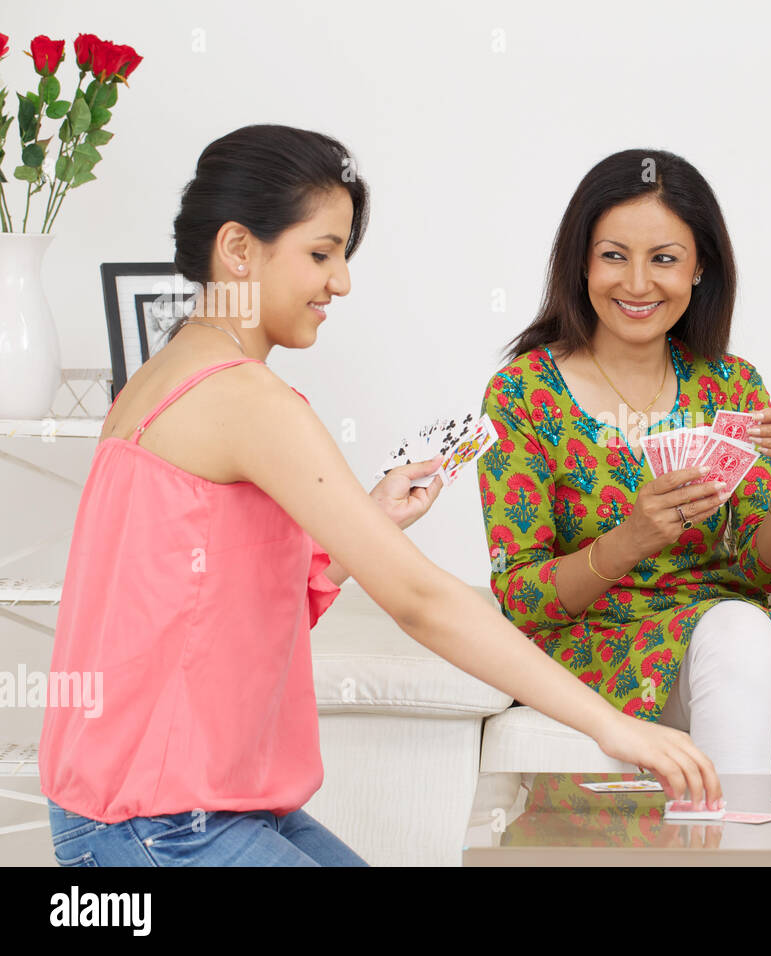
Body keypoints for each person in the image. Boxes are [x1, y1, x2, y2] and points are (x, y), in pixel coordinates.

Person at [40, 125, 721, 868]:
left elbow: (207, 609)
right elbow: (422, 601)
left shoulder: (160, 378)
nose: (341, 282)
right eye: (321, 253)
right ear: (239, 249)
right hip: (160, 824)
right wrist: (612, 726)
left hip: (164, 807)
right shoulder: (245, 399)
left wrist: (367, 519)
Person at [476, 148, 771, 775]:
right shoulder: (523, 393)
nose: (637, 283)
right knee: (737, 633)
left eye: (663, 259)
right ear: (581, 263)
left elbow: (765, 575)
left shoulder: (730, 385)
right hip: (599, 641)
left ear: (699, 269)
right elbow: (520, 598)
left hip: (727, 627)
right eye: (613, 256)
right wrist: (628, 541)